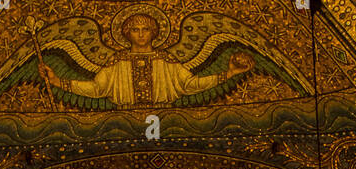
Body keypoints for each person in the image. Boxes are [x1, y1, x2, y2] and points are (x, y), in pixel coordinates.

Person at [40, 13, 252, 107]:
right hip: (123, 117)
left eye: (145, 30)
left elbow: (190, 85)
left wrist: (230, 73)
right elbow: (97, 89)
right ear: (126, 33)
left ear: (154, 33)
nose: (141, 34)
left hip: (165, 114)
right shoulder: (118, 60)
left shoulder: (166, 59)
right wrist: (58, 82)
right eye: (135, 30)